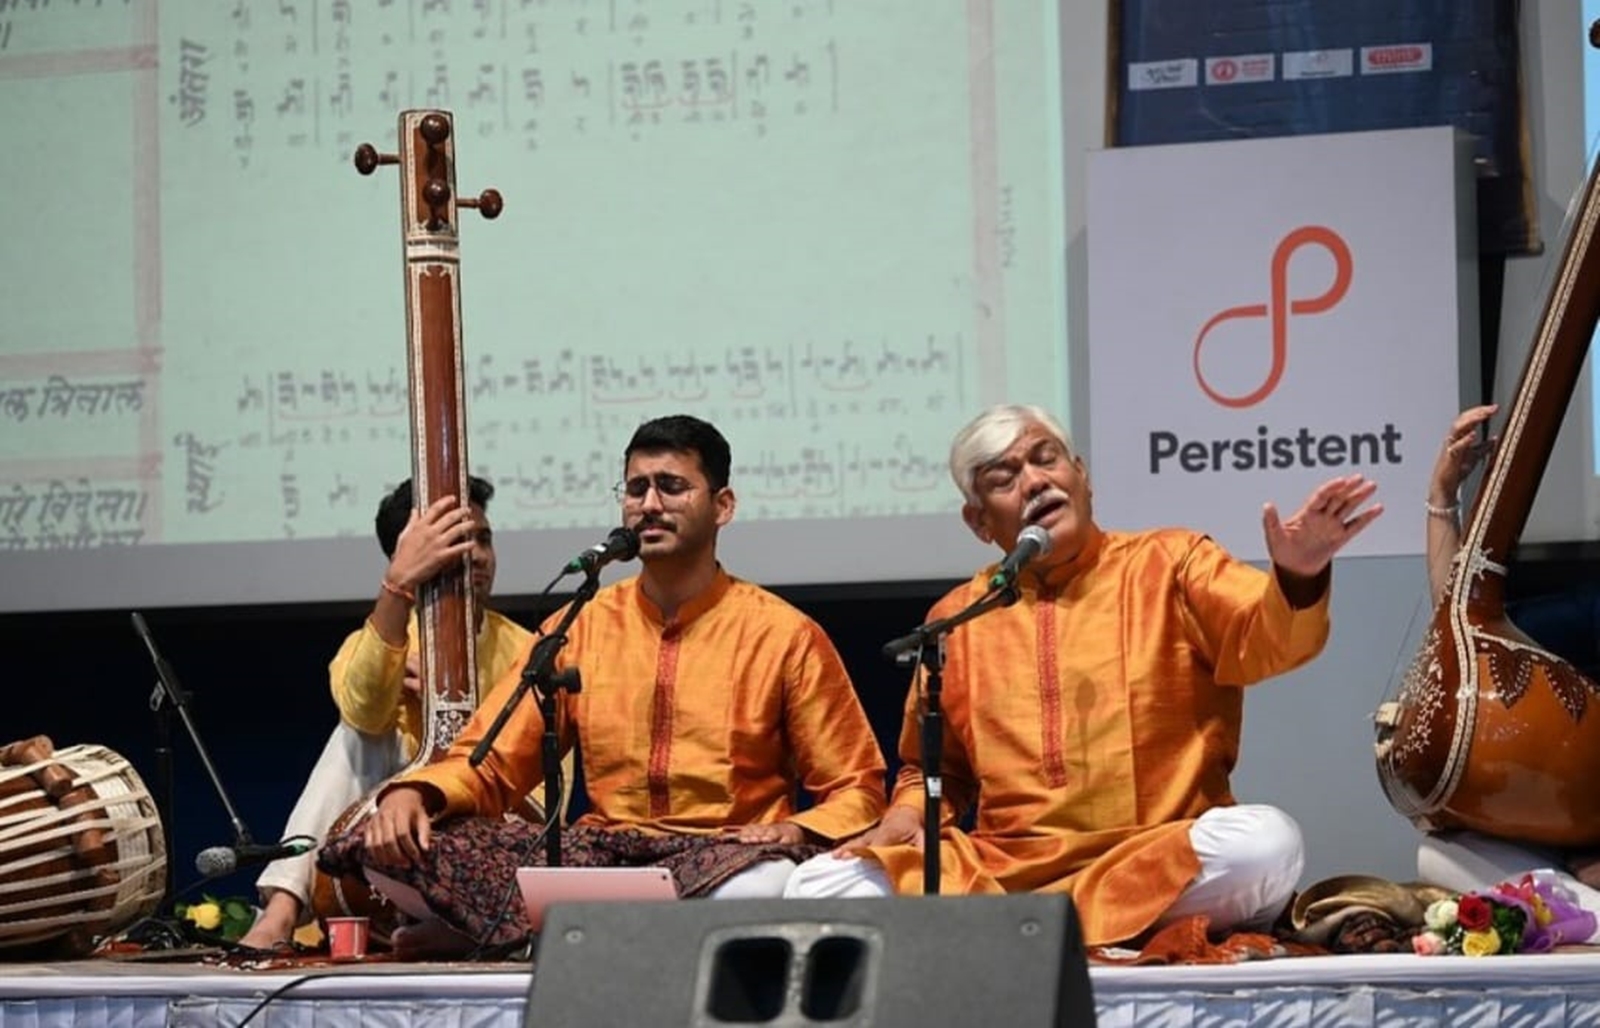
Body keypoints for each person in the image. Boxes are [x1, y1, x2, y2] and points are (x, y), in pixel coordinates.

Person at [784, 402, 1383, 948]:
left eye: (1046, 459)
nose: (1035, 481)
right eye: (1005, 477)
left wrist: (1297, 577)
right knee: (815, 886)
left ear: (1082, 474)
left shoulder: (1170, 564)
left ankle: (1032, 936)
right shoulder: (958, 617)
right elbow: (933, 770)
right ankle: (1090, 928)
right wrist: (905, 819)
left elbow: (1266, 641)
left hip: (1150, 854)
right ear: (978, 520)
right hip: (1006, 870)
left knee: (1266, 844)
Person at [321, 414, 887, 952]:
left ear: (723, 506)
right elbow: (493, 761)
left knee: (755, 889)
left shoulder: (782, 634)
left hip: (725, 854)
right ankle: (538, 927)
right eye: (636, 488)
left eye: (671, 486)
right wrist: (416, 792)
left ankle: (518, 931)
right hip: (606, 856)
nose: (650, 505)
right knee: (380, 847)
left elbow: (858, 785)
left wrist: (794, 829)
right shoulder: (582, 624)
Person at [238, 474, 546, 951]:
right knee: (357, 736)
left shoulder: (530, 650)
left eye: (481, 539)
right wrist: (398, 585)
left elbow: (543, 790)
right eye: (453, 543)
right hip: (393, 826)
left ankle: (457, 922)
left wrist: (453, 717)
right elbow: (363, 712)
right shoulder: (368, 646)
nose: (476, 557)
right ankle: (281, 907)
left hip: (500, 819)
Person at [1415, 404, 1600, 903]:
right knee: (1443, 855)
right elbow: (1462, 628)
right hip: (1578, 846)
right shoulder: (1592, 610)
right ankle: (1573, 910)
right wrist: (1442, 497)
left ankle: (1565, 909)